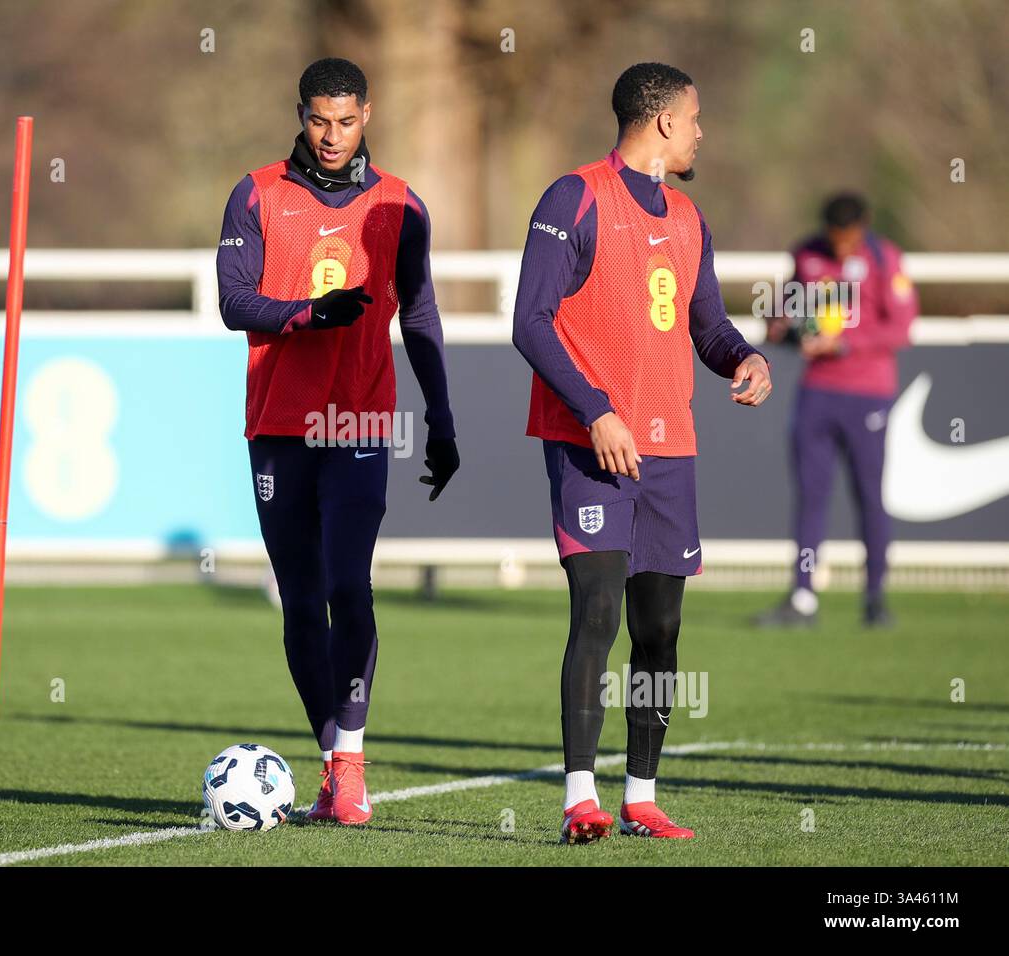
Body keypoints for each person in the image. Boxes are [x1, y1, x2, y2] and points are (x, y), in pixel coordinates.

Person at [512, 62, 771, 843]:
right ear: (661, 122)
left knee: (660, 629)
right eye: (695, 118)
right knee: (596, 611)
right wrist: (594, 410)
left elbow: (707, 326)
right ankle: (579, 800)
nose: (701, 131)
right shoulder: (575, 197)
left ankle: (641, 796)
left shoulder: (690, 217)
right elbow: (531, 319)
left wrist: (744, 358)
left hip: (670, 450)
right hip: (591, 443)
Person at [216, 57, 459, 826]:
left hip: (357, 421)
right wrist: (309, 313)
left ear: (367, 116)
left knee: (349, 585)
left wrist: (443, 416)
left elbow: (418, 315)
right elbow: (233, 302)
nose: (330, 135)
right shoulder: (255, 193)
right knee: (300, 601)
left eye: (345, 121)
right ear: (301, 113)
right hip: (279, 427)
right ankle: (330, 765)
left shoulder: (400, 203)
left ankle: (350, 762)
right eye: (319, 119)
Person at [755, 193, 917, 628]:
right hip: (817, 392)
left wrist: (846, 343)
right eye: (835, 239)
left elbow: (902, 327)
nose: (841, 248)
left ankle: (875, 596)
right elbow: (778, 315)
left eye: (849, 239)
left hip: (868, 393)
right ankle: (803, 597)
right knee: (811, 496)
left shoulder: (885, 258)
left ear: (863, 228)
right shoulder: (806, 255)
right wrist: (786, 332)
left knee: (869, 496)